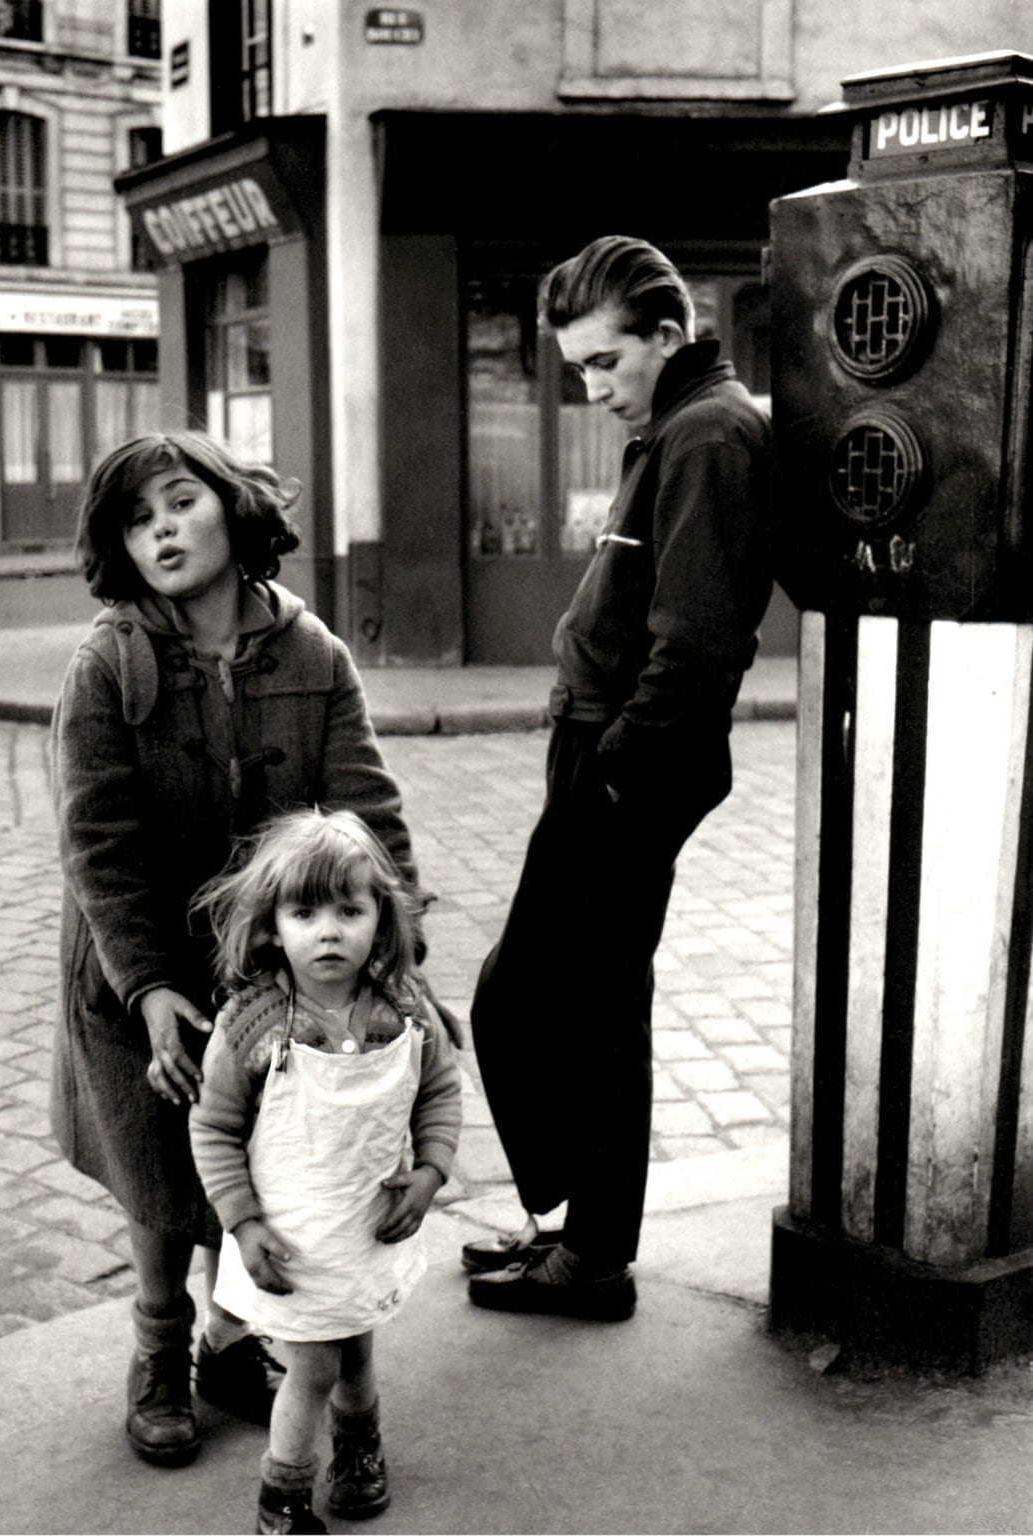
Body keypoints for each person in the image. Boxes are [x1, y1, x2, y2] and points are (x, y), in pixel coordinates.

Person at [50, 431, 425, 1470]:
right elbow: (96, 845)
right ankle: (160, 1352)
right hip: (138, 970)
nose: (161, 529)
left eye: (179, 503)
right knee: (161, 1171)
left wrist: (401, 949)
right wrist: (149, 988)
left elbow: (369, 818)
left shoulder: (315, 656)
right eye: (136, 518)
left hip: (272, 970)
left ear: (233, 507)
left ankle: (231, 1342)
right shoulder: (107, 663)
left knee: (262, 1158)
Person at [464, 235, 773, 1318]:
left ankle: (590, 1253)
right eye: (578, 369)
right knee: (575, 997)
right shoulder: (673, 426)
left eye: (604, 363)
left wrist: (613, 776)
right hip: (604, 748)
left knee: (541, 1000)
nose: (592, 389)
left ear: (667, 336)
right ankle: (579, 1232)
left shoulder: (709, 436)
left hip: (626, 760)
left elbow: (696, 646)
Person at [189, 808, 461, 1535]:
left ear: (382, 917)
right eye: (305, 912)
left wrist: (431, 1171)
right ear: (272, 926)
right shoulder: (252, 1024)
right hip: (293, 1240)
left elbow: (439, 1092)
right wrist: (242, 1224)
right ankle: (280, 1503)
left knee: (360, 1347)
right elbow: (214, 1128)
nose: (331, 930)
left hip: (367, 1229)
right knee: (311, 1369)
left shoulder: (403, 1011)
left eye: (350, 909)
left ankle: (359, 1451)